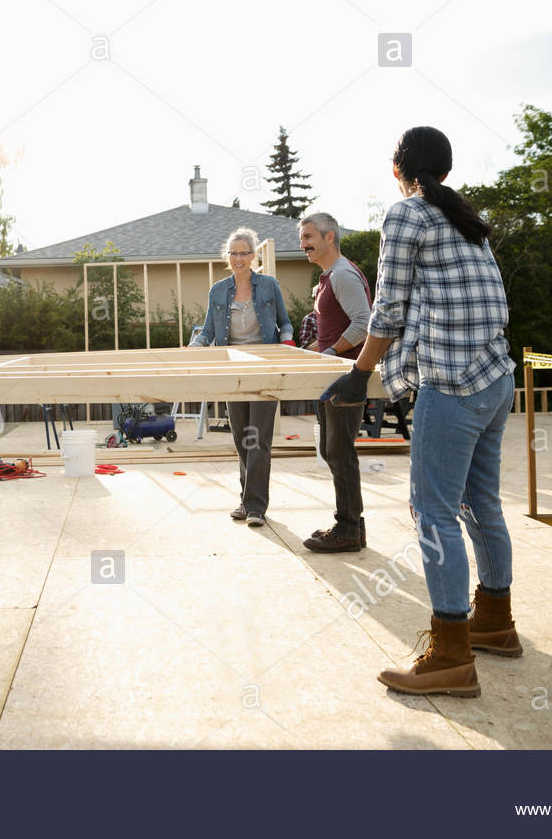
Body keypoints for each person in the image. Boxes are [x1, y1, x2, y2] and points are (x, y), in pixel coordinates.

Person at [323, 126, 519, 698]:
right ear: (447, 168)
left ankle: (452, 654)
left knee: (432, 512)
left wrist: (359, 374)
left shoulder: (408, 213)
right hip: (495, 378)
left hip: (451, 384)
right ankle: (496, 621)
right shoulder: (466, 220)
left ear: (397, 168)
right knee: (481, 501)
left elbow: (386, 312)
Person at [190, 227, 294, 527]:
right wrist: (194, 347)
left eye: (244, 253)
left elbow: (285, 323)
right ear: (228, 256)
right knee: (240, 436)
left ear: (253, 256)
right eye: (233, 253)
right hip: (232, 369)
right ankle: (246, 499)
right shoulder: (218, 290)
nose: (238, 258)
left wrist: (286, 342)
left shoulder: (269, 285)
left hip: (264, 366)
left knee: (258, 438)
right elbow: (209, 331)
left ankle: (256, 507)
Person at [298, 212, 372, 553]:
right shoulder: (328, 278)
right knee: (333, 450)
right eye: (302, 238)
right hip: (331, 374)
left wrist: (328, 352)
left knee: (340, 452)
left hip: (345, 377)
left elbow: (363, 325)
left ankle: (348, 528)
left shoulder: (343, 275)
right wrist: (305, 352)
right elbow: (331, 332)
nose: (304, 244)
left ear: (330, 237)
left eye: (309, 237)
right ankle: (352, 525)